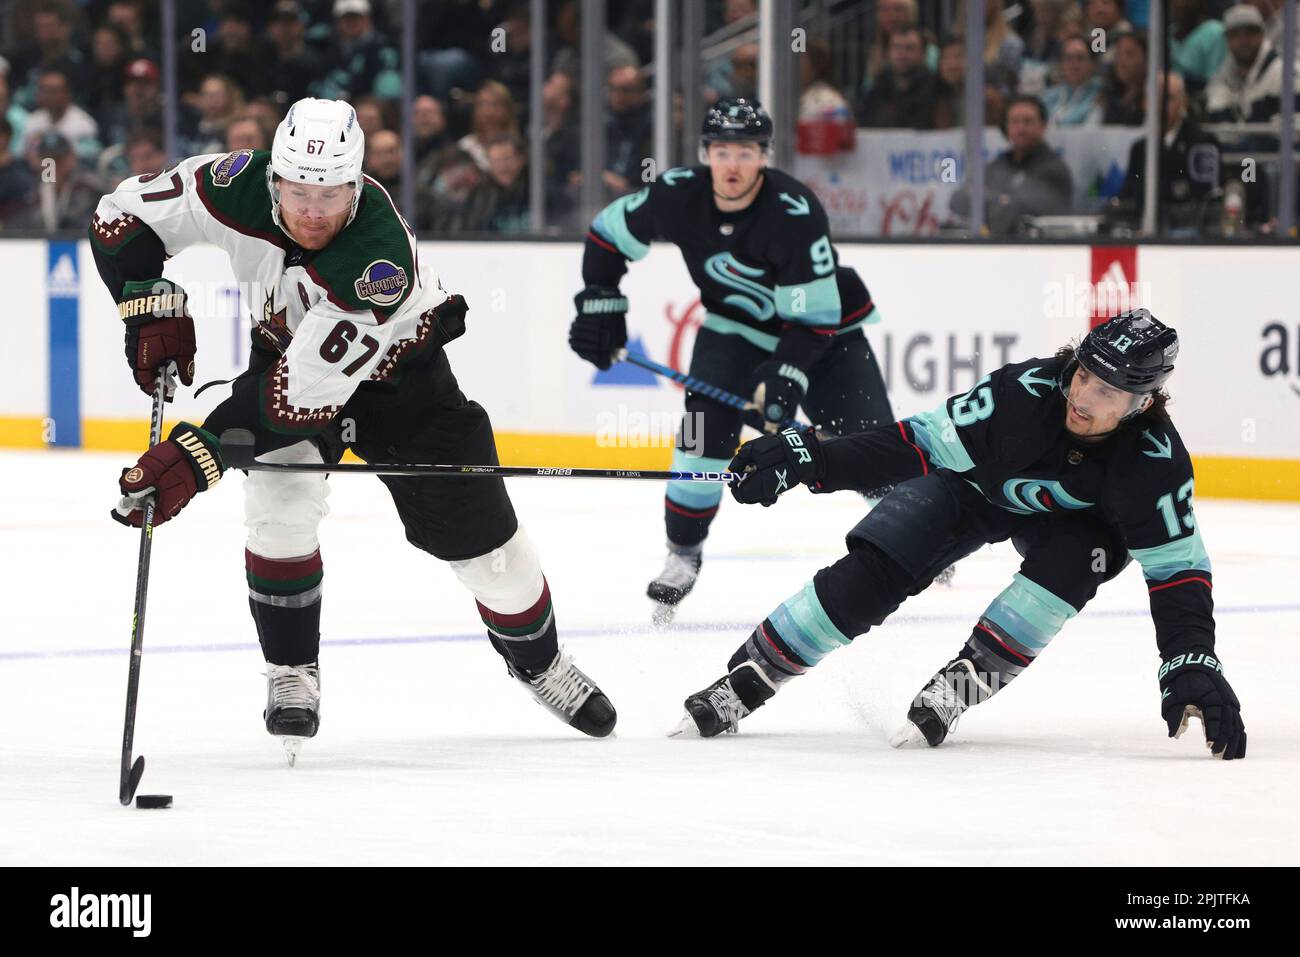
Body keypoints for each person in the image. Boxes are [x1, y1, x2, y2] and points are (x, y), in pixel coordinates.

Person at [89, 97, 616, 761]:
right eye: (299, 192)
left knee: (493, 558)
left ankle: (540, 662)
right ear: (274, 178)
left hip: (403, 387)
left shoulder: (379, 261)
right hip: (285, 358)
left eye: (332, 194)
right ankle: (291, 668)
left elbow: (294, 401)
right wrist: (145, 301)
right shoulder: (230, 183)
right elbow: (120, 216)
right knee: (279, 508)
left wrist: (194, 457)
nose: (313, 211)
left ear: (358, 185)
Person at [674, 311, 1247, 762]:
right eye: (1084, 374)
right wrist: (811, 458)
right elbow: (910, 444)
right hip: (976, 489)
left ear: (1142, 403)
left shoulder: (1155, 464)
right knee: (878, 566)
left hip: (1080, 527)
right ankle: (758, 669)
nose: (1082, 396)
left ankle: (972, 675)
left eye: (1107, 392)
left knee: (1070, 566)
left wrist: (1190, 660)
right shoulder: (1022, 393)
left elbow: (1178, 572)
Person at [568, 98, 894, 622]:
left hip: (825, 335)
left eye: (746, 152)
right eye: (722, 152)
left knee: (875, 450)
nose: (733, 165)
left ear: (765, 156)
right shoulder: (678, 193)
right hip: (734, 333)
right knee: (701, 438)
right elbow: (607, 233)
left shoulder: (794, 210)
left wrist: (785, 376)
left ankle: (911, 531)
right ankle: (683, 551)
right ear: (705, 154)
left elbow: (812, 320)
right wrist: (600, 300)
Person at [950, 95, 1074, 236]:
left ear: (1043, 126)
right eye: (1014, 122)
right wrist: (1000, 200)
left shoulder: (1054, 169)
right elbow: (957, 199)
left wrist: (989, 198)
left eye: (1028, 121)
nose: (1021, 128)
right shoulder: (998, 166)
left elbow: (1023, 206)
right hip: (995, 244)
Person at [1112, 73, 1221, 232]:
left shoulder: (1202, 143)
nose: (1160, 105)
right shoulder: (1140, 148)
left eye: (1167, 98)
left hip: (1188, 235)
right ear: (1144, 103)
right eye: (1154, 98)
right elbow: (1129, 197)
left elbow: (1206, 202)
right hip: (1146, 232)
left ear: (1184, 102)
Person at [1205, 4, 1300, 123]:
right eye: (1235, 34)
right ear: (1226, 39)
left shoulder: (1287, 72)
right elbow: (1217, 120)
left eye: (1250, 32)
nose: (1243, 40)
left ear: (1262, 34)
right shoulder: (1221, 78)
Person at [856, 25, 940, 129]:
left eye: (909, 48)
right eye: (896, 47)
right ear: (888, 52)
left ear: (924, 53)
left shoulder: (935, 89)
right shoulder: (878, 86)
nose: (901, 54)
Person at [1040, 35, 1103, 126]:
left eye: (1080, 58)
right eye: (1068, 58)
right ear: (1061, 64)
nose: (1074, 65)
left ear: (1093, 63)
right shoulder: (1048, 97)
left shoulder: (1101, 94)